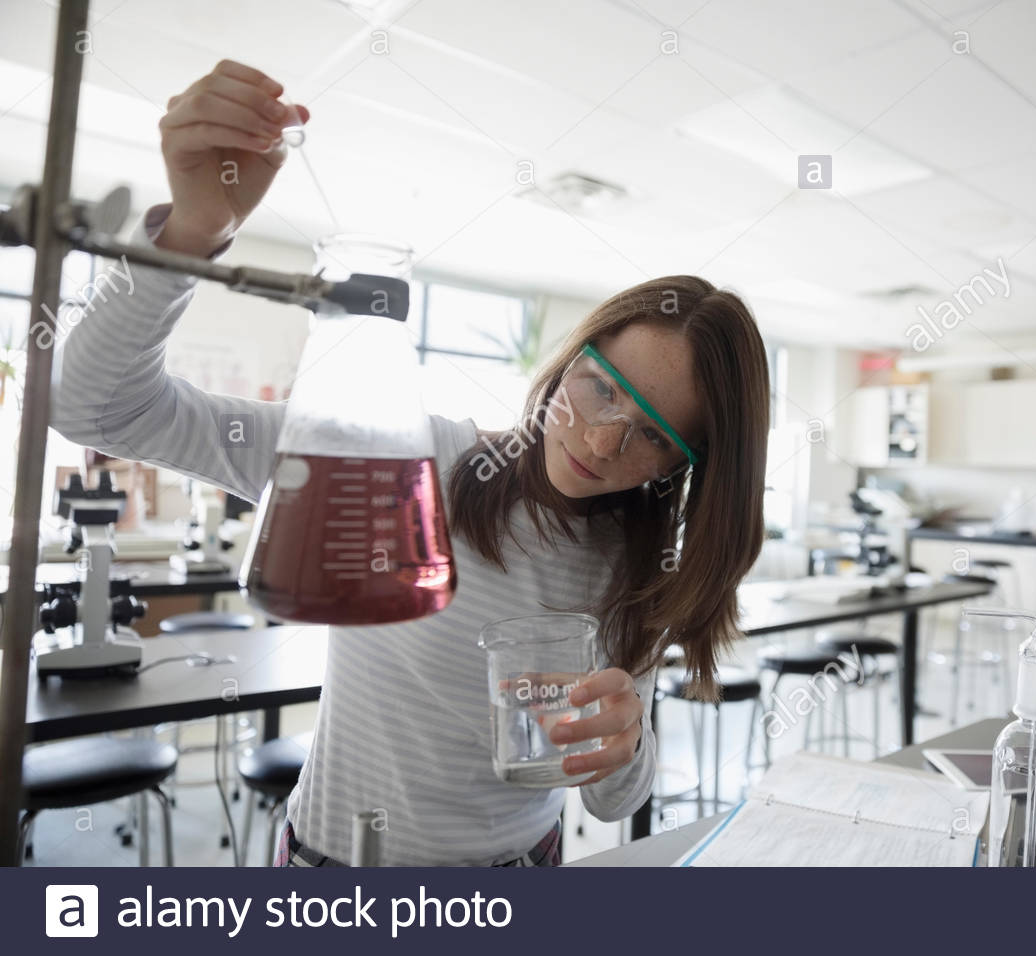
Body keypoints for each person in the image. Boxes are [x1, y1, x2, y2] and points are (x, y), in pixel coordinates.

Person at [50, 59, 771, 866]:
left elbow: (612, 796)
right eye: (601, 388)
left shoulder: (637, 566)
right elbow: (100, 410)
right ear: (572, 360)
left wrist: (623, 743)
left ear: (683, 468)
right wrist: (191, 231)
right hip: (336, 866)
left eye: (650, 436)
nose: (602, 441)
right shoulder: (401, 458)